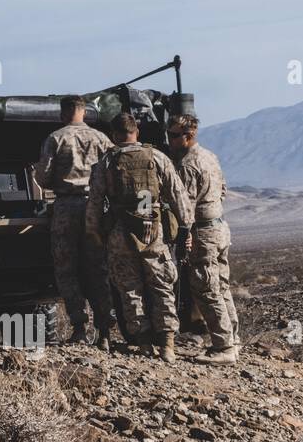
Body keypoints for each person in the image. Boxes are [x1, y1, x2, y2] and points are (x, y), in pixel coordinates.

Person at [87, 112, 193, 362]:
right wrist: (185, 228)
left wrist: (93, 232)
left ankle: (144, 342)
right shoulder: (157, 157)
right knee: (162, 285)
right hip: (152, 230)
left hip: (119, 233)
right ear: (137, 132)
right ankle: (167, 344)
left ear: (114, 136)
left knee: (130, 289)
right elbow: (178, 195)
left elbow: (93, 203)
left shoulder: (106, 162)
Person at [36, 95, 114, 350]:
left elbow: (44, 178)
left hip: (66, 206)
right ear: (85, 112)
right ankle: (104, 332)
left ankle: (80, 328)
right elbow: (115, 172)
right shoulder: (102, 139)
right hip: (95, 207)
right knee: (98, 269)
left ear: (63, 113)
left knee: (67, 269)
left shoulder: (56, 138)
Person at [169, 114, 240, 364]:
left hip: (203, 231)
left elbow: (185, 205)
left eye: (174, 135)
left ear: (188, 136)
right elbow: (222, 190)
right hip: (220, 227)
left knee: (206, 288)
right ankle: (233, 339)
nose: (171, 140)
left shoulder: (188, 165)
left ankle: (224, 346)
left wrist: (184, 233)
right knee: (221, 285)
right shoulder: (210, 157)